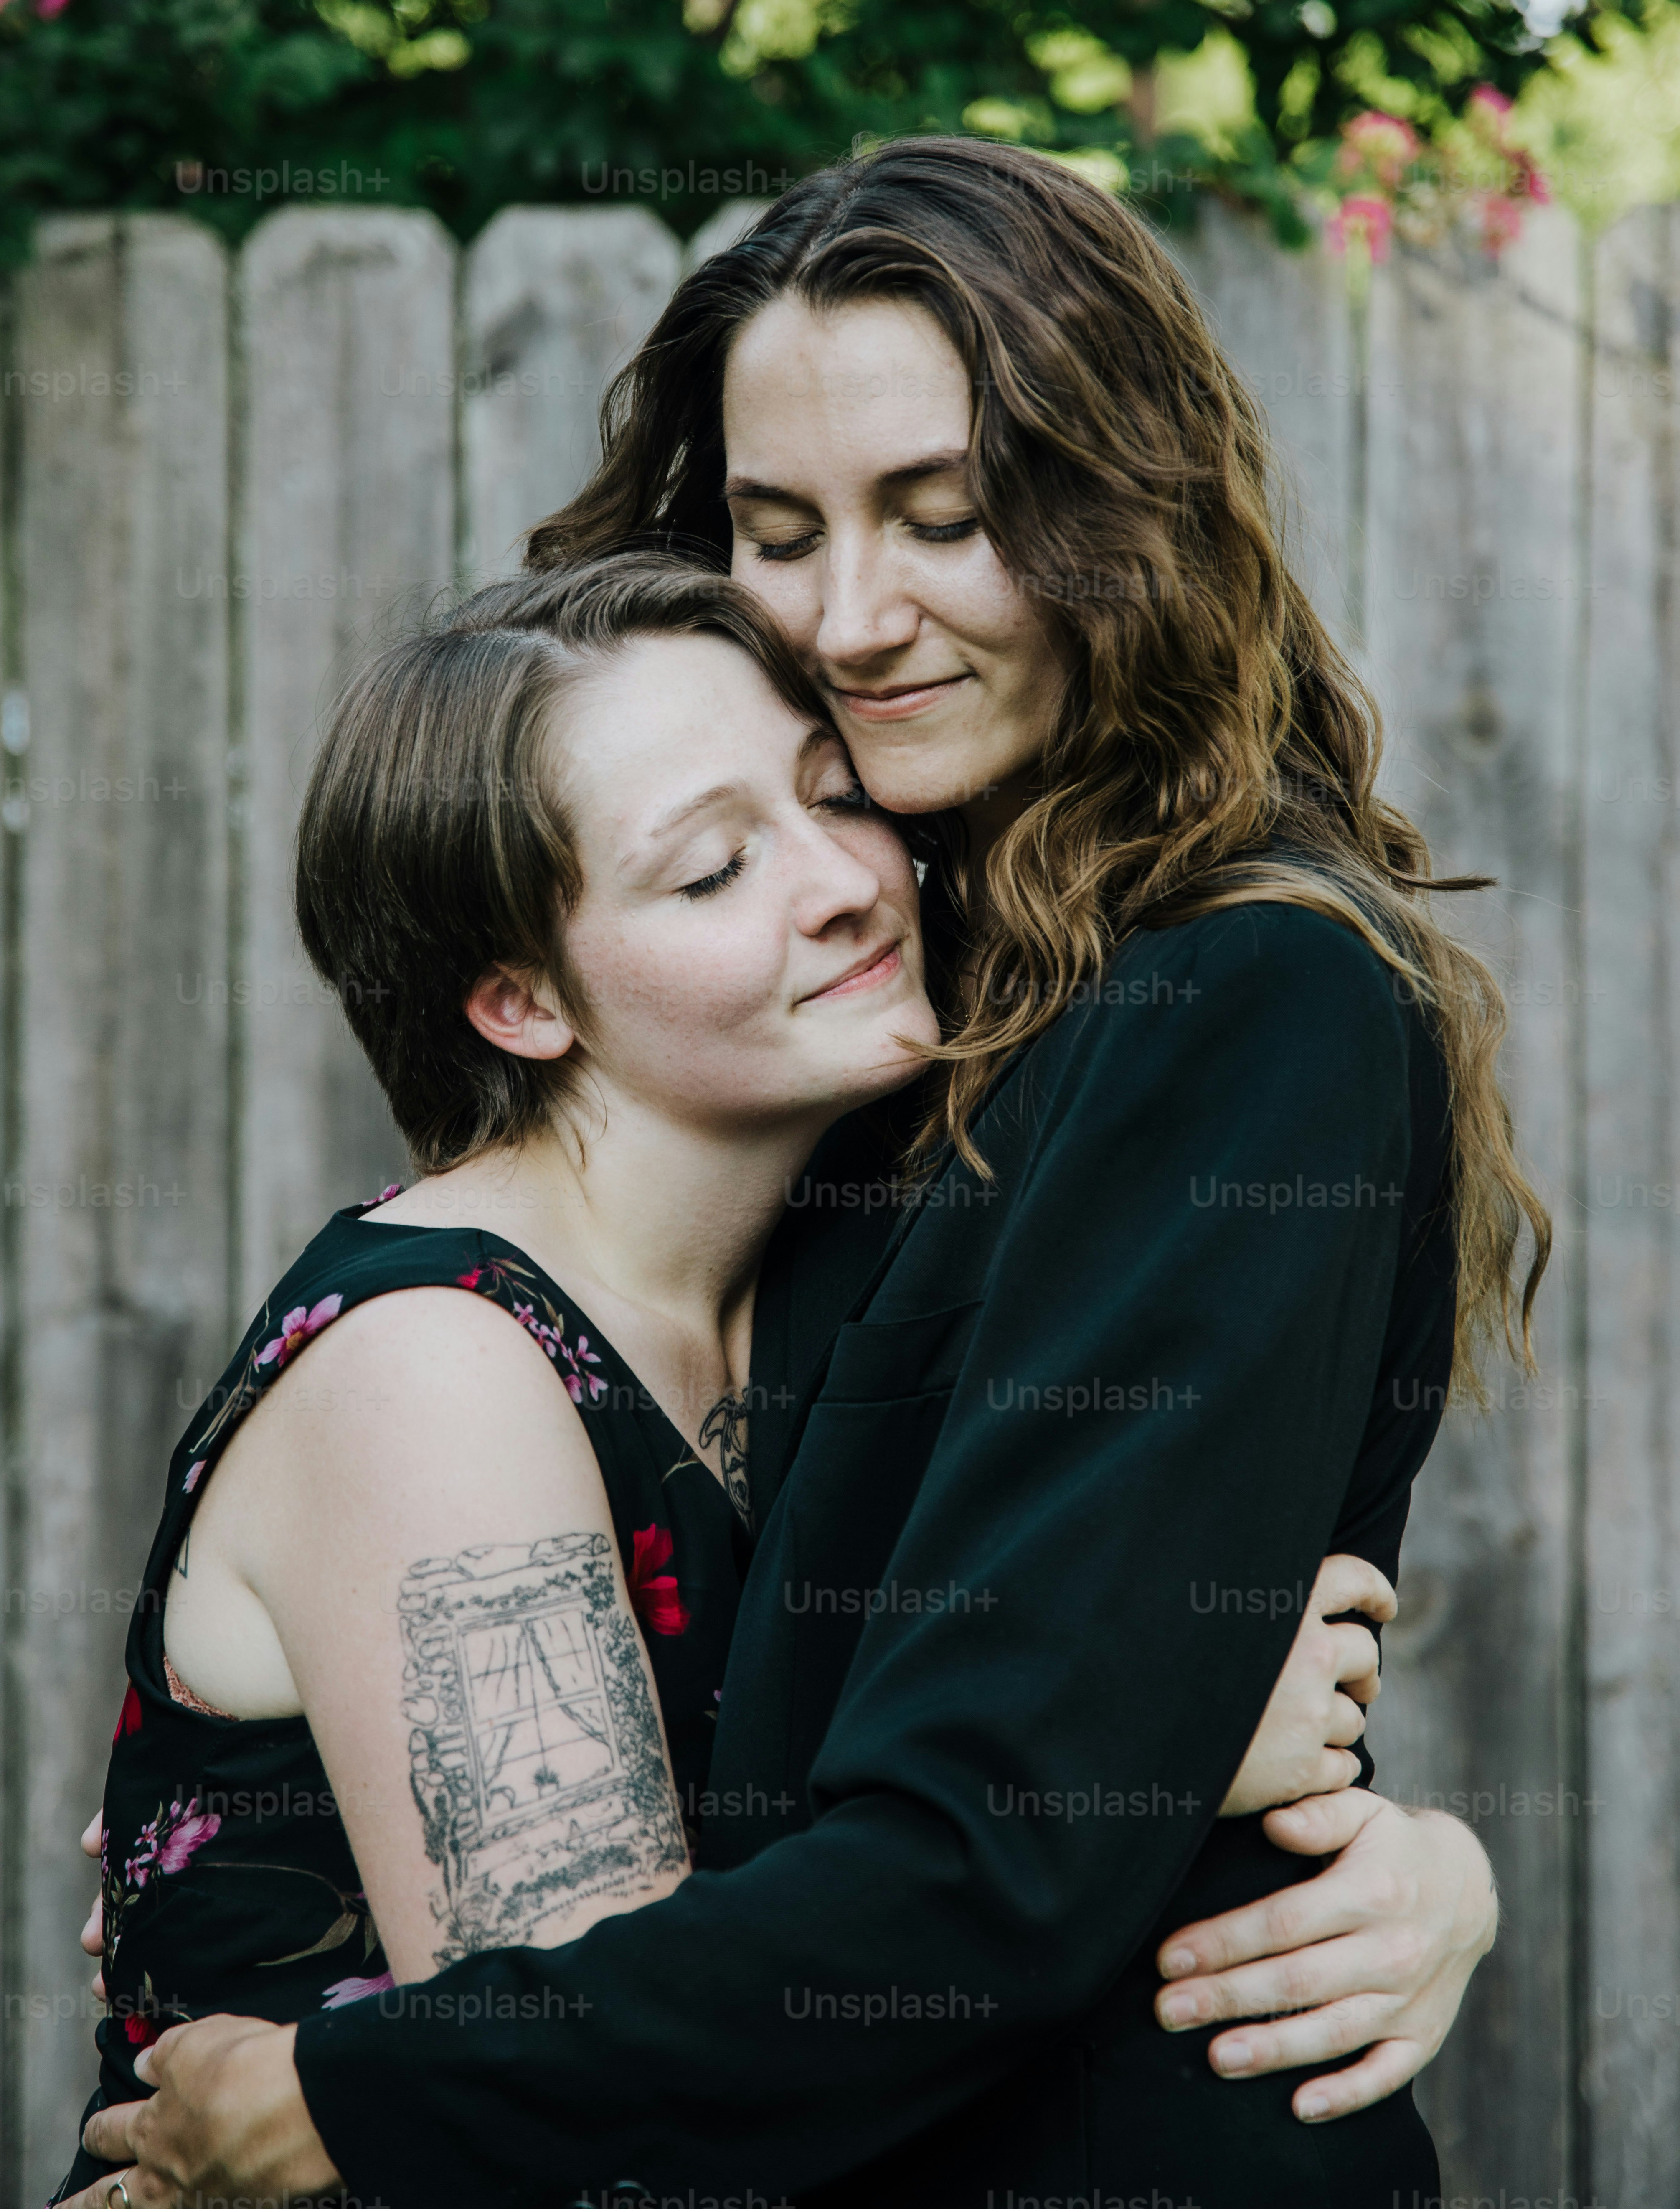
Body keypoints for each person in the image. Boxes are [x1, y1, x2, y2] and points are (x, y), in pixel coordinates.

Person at [77, 140, 1544, 2207]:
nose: (852, 620)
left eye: (944, 518)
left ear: (1111, 508)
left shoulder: (1233, 1000)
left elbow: (990, 1829)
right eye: (780, 531)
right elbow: (913, 1746)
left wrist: (354, 2088)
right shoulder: (895, 1025)